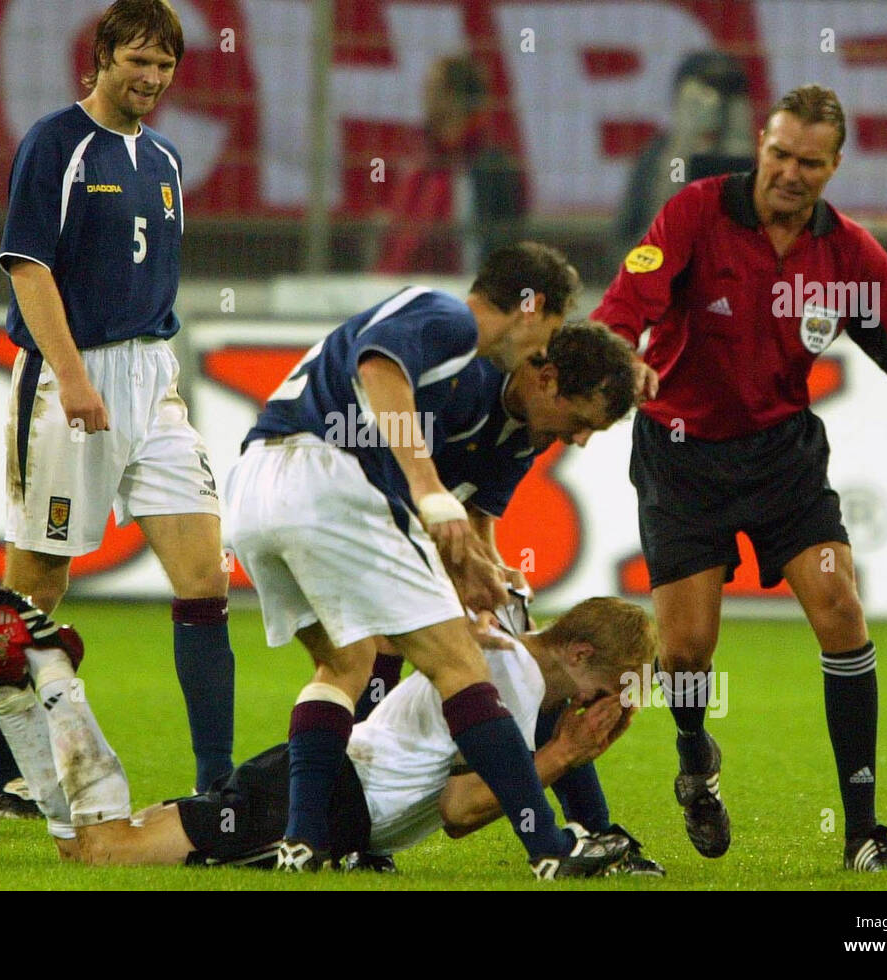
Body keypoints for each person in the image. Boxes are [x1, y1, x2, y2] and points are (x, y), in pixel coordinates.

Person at [591, 83, 887, 872]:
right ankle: (694, 756)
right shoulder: (697, 215)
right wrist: (622, 363)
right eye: (779, 153)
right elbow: (623, 305)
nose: (789, 171)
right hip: (681, 456)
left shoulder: (849, 255)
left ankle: (862, 832)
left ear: (833, 166)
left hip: (782, 459)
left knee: (840, 607)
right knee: (684, 656)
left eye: (809, 162)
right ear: (761, 144)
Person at [227, 242, 630, 878]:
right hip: (329, 481)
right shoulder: (449, 319)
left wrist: (481, 573)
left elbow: (471, 524)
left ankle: (306, 842)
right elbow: (379, 365)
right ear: (532, 308)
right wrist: (426, 488)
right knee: (461, 666)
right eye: (548, 337)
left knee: (346, 661)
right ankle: (551, 849)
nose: (544, 353)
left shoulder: (509, 419)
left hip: (257, 489)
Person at [0, 588, 657, 873]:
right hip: (330, 797)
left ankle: (14, 698)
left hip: (321, 784)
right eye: (613, 695)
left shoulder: (510, 669)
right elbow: (460, 813)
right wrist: (562, 755)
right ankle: (51, 668)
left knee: (84, 845)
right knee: (100, 852)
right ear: (581, 655)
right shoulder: (517, 681)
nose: (608, 714)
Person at [0, 0, 235, 818]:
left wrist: (149, 379)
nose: (152, 76)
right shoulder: (57, 143)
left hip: (150, 379)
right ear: (100, 58)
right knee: (37, 584)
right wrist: (76, 375)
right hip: (67, 379)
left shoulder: (164, 159)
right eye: (138, 60)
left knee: (204, 578)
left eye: (164, 64)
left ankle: (215, 783)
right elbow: (27, 265)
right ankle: (11, 778)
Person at [349, 320, 662, 873]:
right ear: (548, 383)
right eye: (582, 422)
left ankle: (593, 829)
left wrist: (497, 579)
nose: (580, 439)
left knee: (537, 667)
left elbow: (476, 516)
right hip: (361, 519)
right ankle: (347, 823)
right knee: (388, 643)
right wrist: (463, 584)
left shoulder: (523, 433)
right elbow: (396, 479)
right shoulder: (461, 390)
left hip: (417, 536)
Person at [374, 55, 526, 275]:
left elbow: (504, 241)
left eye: (433, 87)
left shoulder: (492, 168)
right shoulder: (420, 166)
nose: (424, 95)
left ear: (455, 97)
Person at [605, 51, 752, 278]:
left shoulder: (752, 160)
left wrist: (739, 148)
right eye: (705, 90)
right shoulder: (661, 155)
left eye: (727, 93)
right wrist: (684, 141)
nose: (716, 103)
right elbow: (637, 230)